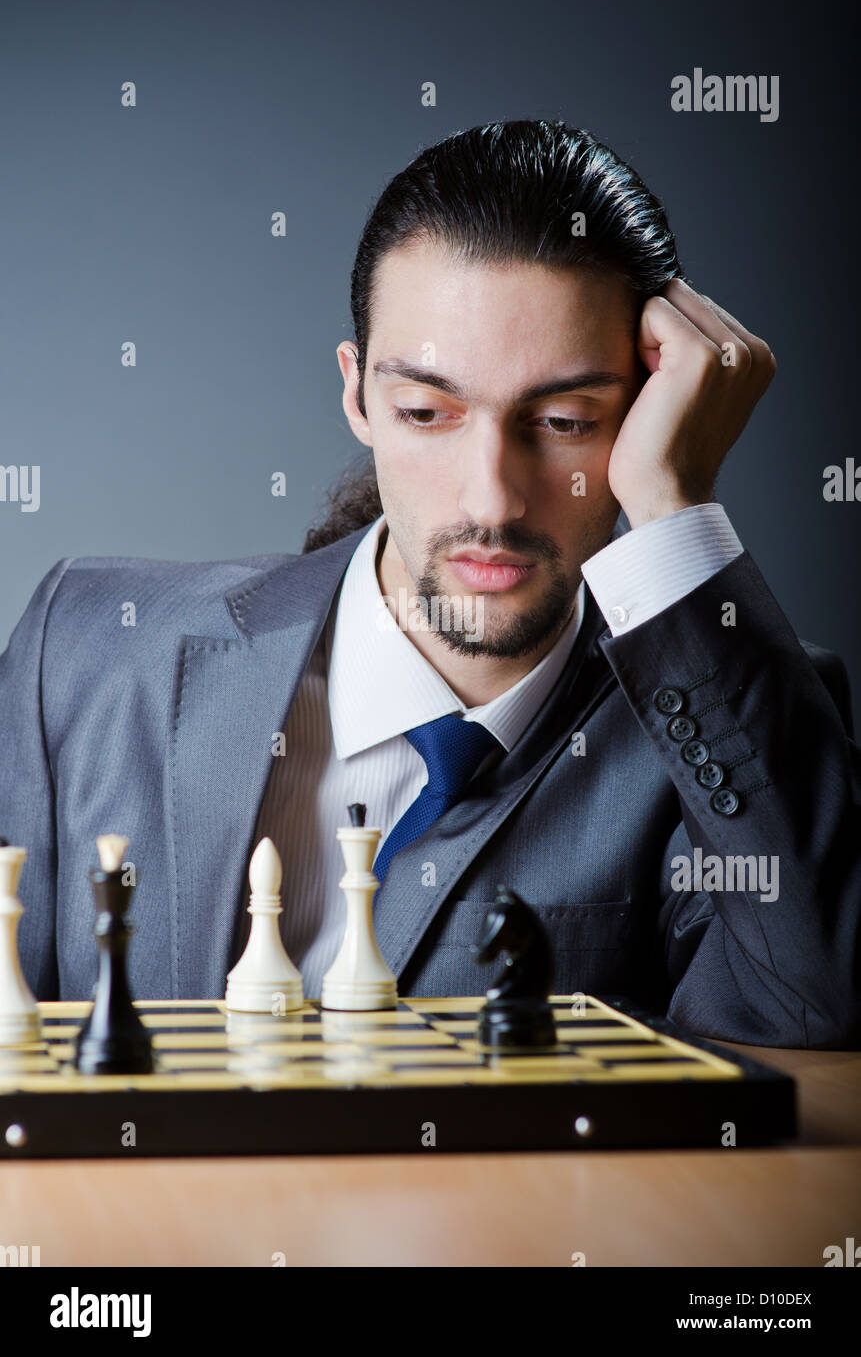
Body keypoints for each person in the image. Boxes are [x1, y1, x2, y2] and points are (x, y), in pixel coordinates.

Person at [1, 120, 858, 1047]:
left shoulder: (733, 731)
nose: (492, 496)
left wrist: (673, 510)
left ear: (656, 411)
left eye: (567, 420)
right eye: (424, 411)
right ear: (357, 394)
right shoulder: (80, 652)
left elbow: (817, 1017)